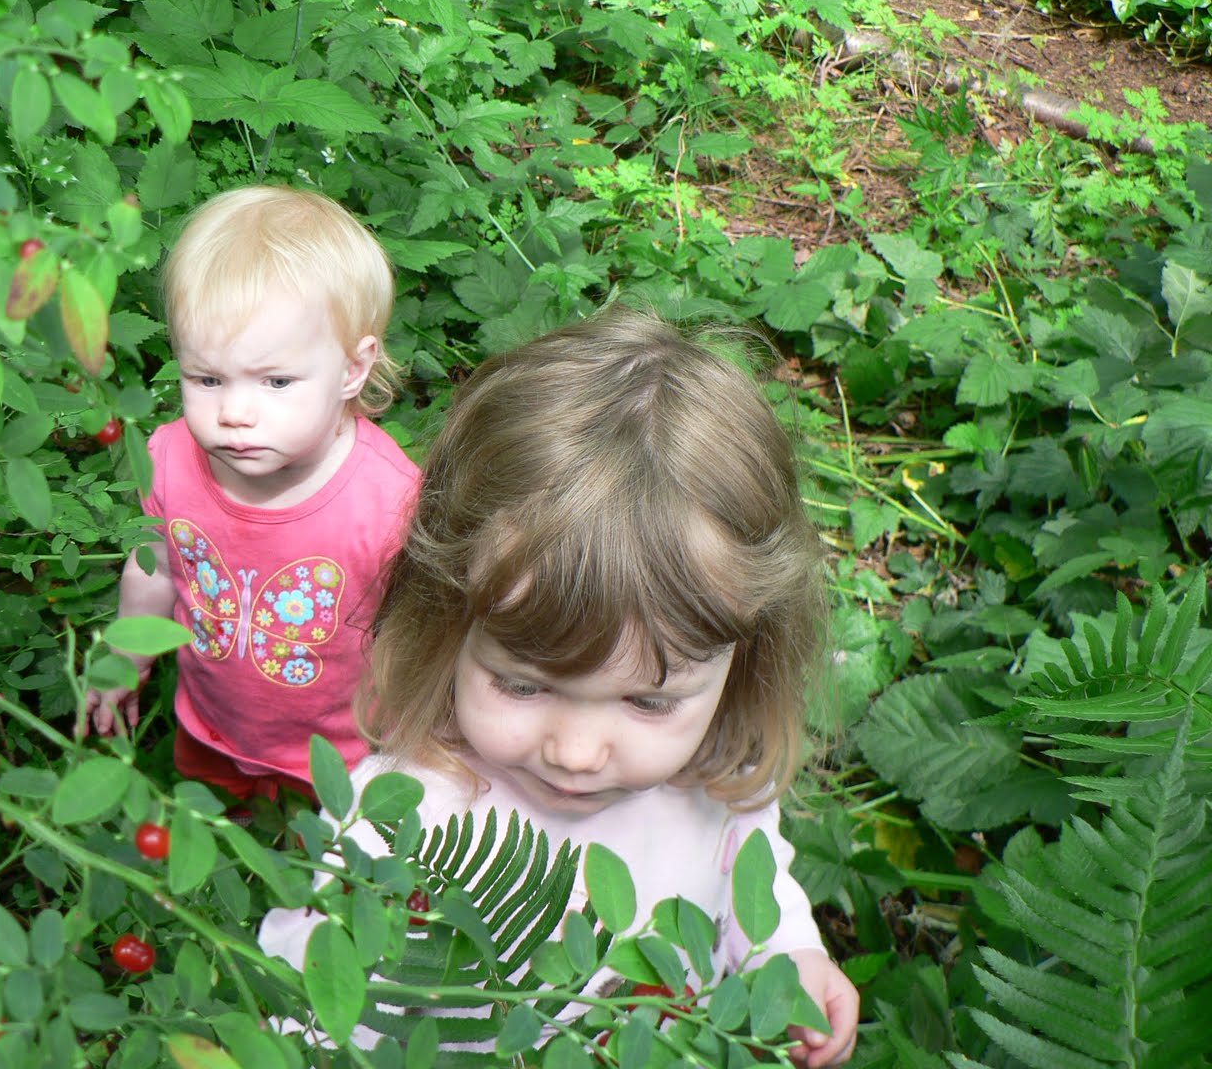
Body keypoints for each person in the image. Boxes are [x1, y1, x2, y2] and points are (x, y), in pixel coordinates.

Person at [258, 308, 858, 1066]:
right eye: (521, 685)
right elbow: (308, 999)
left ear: (746, 657)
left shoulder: (717, 769)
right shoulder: (401, 820)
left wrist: (787, 954)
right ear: (448, 618)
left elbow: (748, 856)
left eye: (649, 701)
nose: (575, 753)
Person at [83, 185, 420, 803]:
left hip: (342, 754)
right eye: (207, 378)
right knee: (219, 837)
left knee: (324, 875)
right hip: (212, 725)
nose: (235, 412)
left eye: (276, 381)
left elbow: (421, 630)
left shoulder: (388, 502)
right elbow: (154, 564)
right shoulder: (170, 460)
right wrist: (127, 654)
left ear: (352, 368)